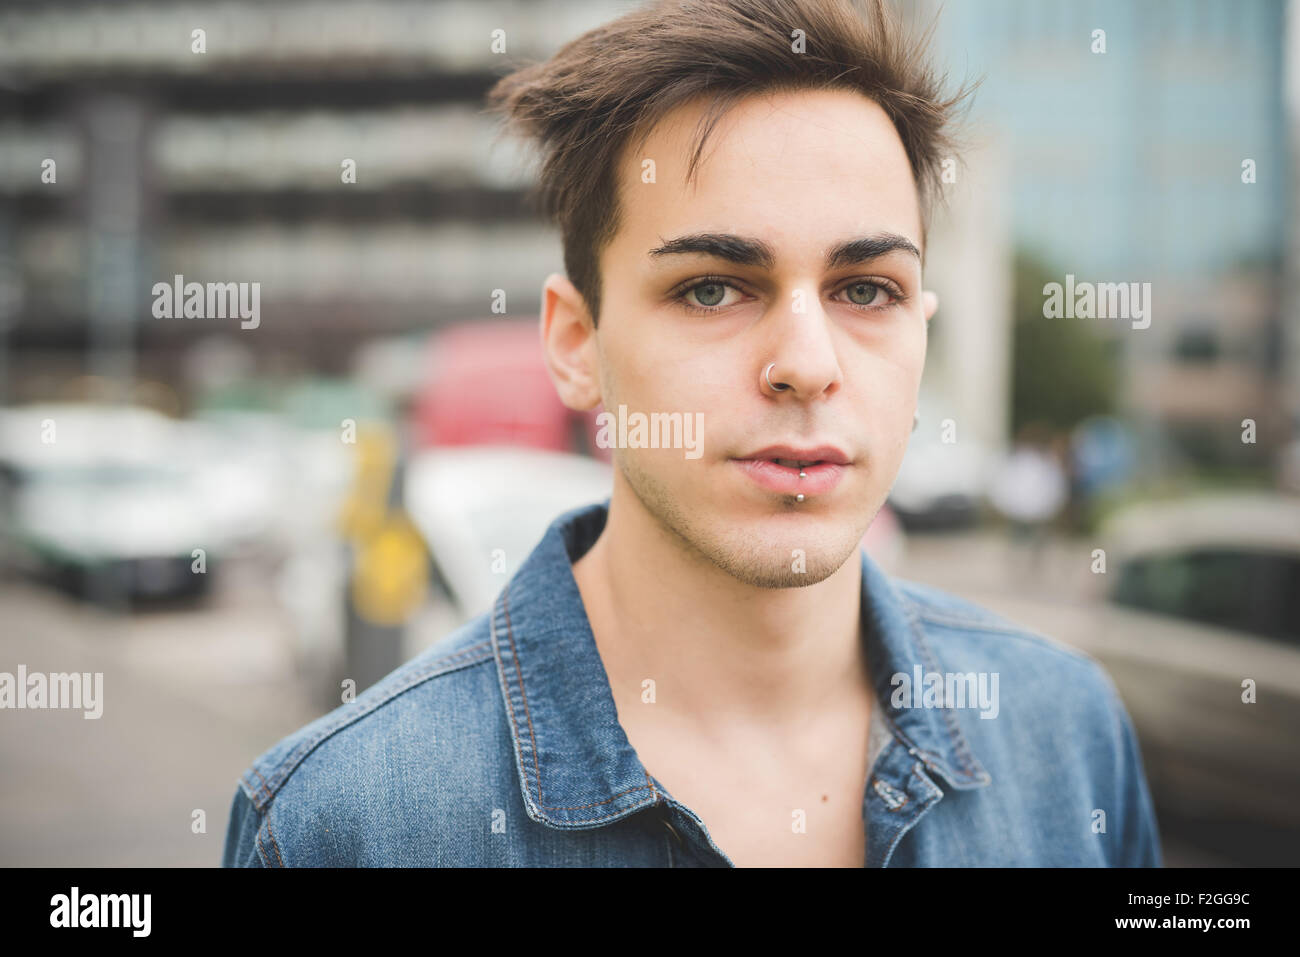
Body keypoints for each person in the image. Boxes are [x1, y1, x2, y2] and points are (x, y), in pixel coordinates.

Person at [223, 0, 1160, 867]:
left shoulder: (1067, 733)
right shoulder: (340, 824)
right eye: (712, 286)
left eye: (866, 289)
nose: (807, 362)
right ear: (577, 343)